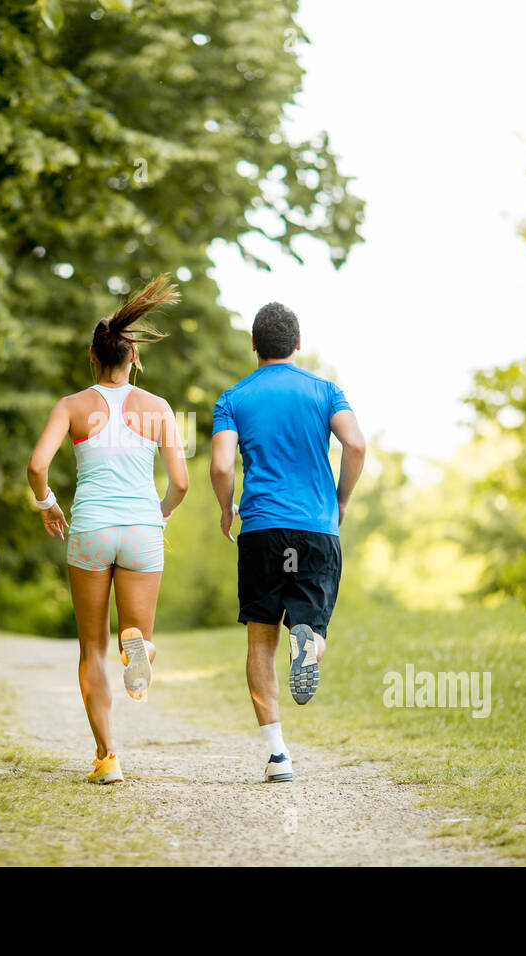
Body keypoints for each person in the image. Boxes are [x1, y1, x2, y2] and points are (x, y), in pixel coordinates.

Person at [27, 275, 189, 785]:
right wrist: (156, 515)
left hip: (92, 528)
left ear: (93, 358)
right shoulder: (158, 409)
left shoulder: (72, 406)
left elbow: (36, 465)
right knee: (132, 636)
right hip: (141, 529)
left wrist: (48, 504)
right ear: (133, 359)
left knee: (91, 650)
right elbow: (181, 483)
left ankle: (108, 758)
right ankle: (139, 645)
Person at [210, 302, 365, 782]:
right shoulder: (326, 391)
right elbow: (356, 444)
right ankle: (310, 643)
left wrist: (226, 506)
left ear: (254, 345)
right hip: (316, 527)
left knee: (260, 641)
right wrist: (340, 500)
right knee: (312, 628)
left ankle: (278, 755)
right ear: (298, 345)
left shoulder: (233, 398)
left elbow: (220, 466)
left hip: (262, 530)